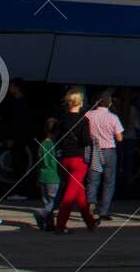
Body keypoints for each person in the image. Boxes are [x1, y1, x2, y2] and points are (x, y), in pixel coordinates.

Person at [51, 90, 98, 231]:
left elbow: (57, 138)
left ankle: (90, 221)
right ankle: (60, 225)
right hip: (78, 160)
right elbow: (86, 141)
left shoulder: (62, 119)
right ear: (80, 102)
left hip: (64, 158)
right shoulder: (83, 120)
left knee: (79, 193)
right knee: (70, 196)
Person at [85, 91, 124, 221]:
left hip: (95, 149)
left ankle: (91, 201)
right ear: (110, 104)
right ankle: (104, 211)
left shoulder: (88, 115)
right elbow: (119, 138)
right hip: (109, 150)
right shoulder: (113, 117)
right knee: (109, 182)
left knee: (93, 180)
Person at [35, 117, 60, 223]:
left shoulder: (42, 144)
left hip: (42, 175)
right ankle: (41, 213)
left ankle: (48, 223)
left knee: (46, 201)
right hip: (53, 176)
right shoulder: (54, 145)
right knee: (53, 202)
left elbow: (39, 162)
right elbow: (55, 163)